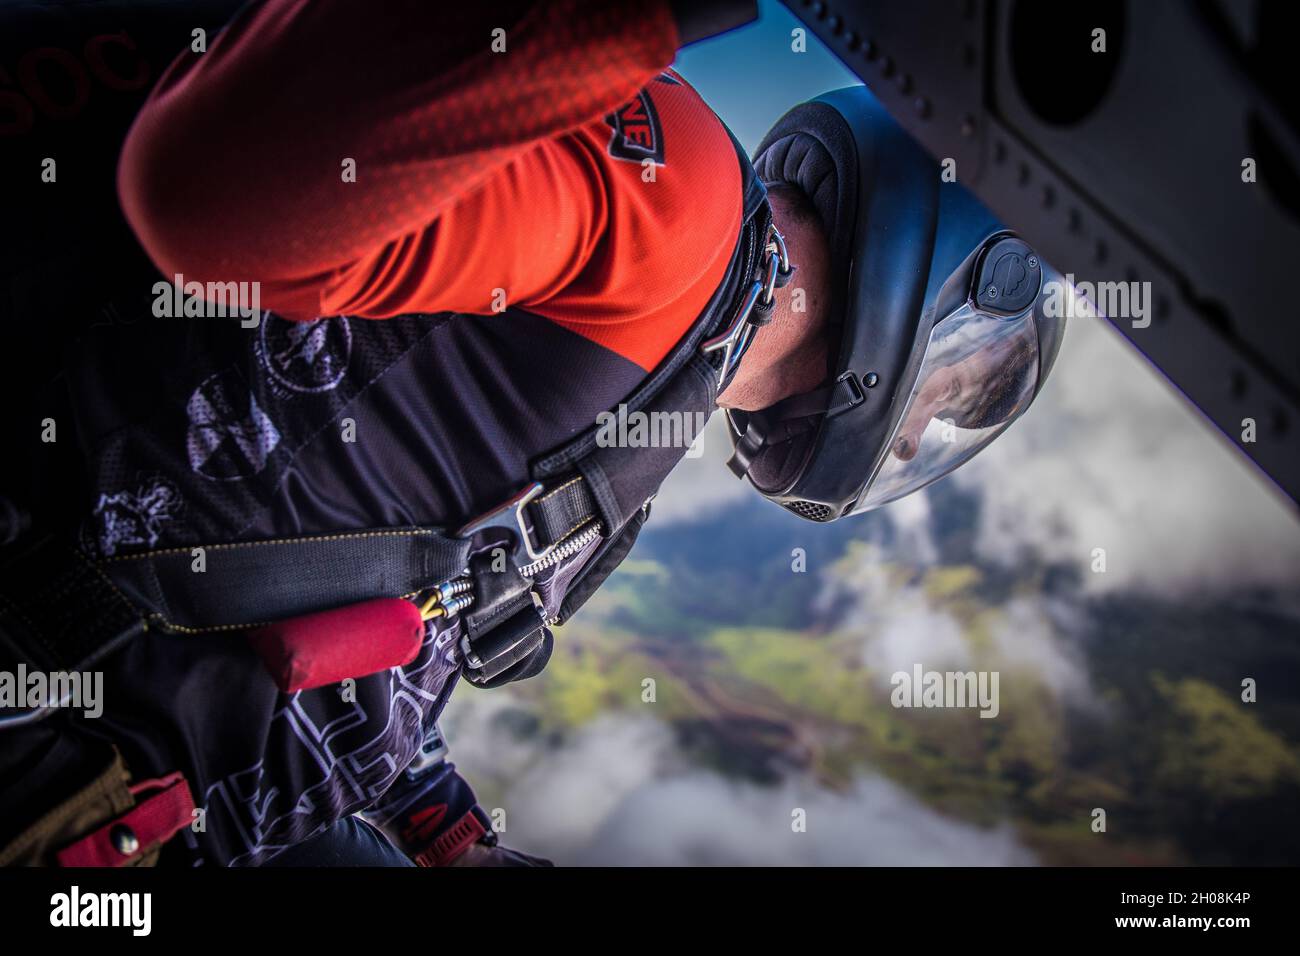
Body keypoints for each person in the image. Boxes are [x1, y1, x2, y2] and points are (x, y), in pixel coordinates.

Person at [0, 0, 1062, 867]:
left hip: (150, 794)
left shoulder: (657, 391)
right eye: (951, 391)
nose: (918, 433)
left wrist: (441, 826)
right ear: (919, 271)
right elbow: (210, 192)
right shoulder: (684, 209)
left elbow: (348, 575)